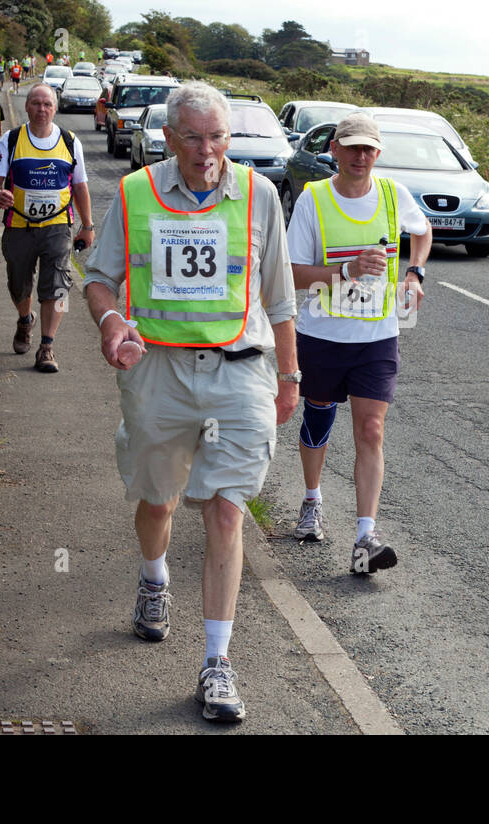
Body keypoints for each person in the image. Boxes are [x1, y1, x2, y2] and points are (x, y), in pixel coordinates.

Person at [83, 80, 300, 723]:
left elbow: (281, 299)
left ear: (229, 139)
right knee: (159, 500)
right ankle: (154, 579)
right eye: (194, 138)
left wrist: (289, 376)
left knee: (228, 512)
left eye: (218, 138)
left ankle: (216, 664)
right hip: (158, 372)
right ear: (170, 138)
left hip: (239, 371)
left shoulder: (260, 196)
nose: (207, 151)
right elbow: (99, 280)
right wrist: (110, 324)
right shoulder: (134, 194)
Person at [286, 113, 430, 574]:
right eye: (351, 147)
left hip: (377, 335)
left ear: (378, 152)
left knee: (371, 430)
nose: (360, 156)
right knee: (319, 418)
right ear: (334, 150)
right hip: (323, 334)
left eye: (368, 148)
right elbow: (291, 274)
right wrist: (345, 271)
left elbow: (422, 231)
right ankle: (312, 500)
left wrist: (414, 272)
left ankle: (365, 537)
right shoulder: (314, 200)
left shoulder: (393, 194)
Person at [0, 84, 94, 373]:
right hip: (18, 225)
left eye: (47, 104)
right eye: (35, 103)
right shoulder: (11, 139)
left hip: (57, 226)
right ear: (27, 107)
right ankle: (24, 320)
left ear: (54, 108)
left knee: (57, 286)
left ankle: (46, 347)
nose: (41, 109)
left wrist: (88, 225)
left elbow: (80, 186)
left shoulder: (70, 142)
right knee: (18, 282)